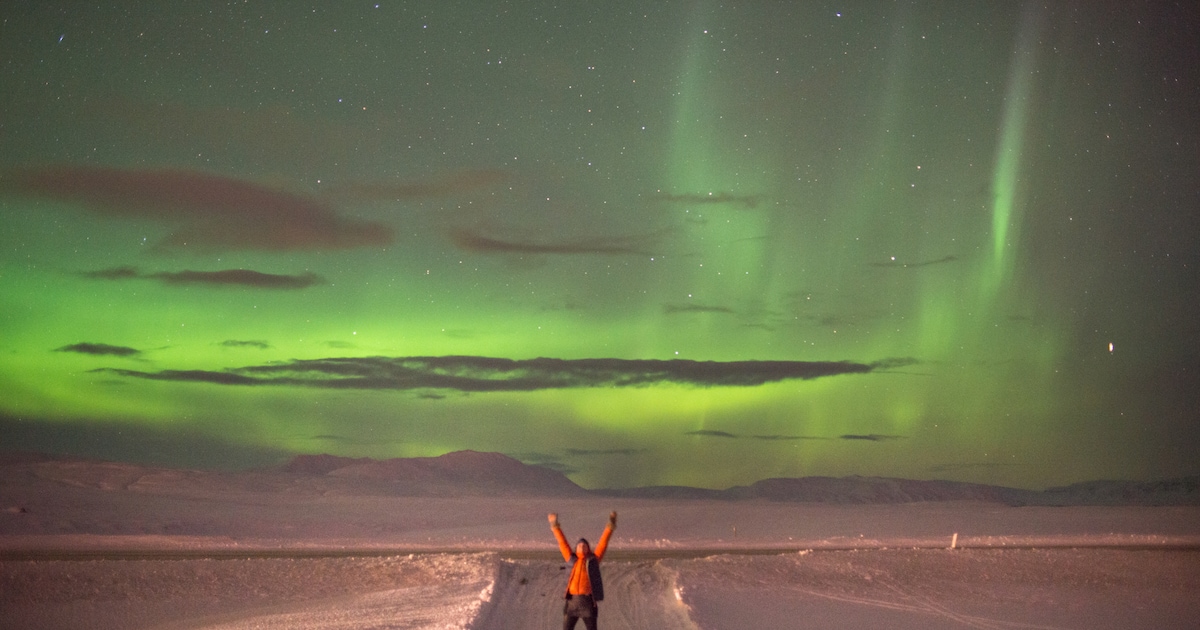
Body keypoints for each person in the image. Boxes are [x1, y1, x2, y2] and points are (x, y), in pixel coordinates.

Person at [548, 510, 616, 630]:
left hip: (587, 602)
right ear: (576, 548)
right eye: (580, 546)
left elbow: (603, 544)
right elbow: (562, 542)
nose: (582, 547)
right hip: (572, 602)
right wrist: (554, 525)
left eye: (584, 546)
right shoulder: (571, 559)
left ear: (588, 548)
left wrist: (610, 526)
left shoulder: (593, 560)